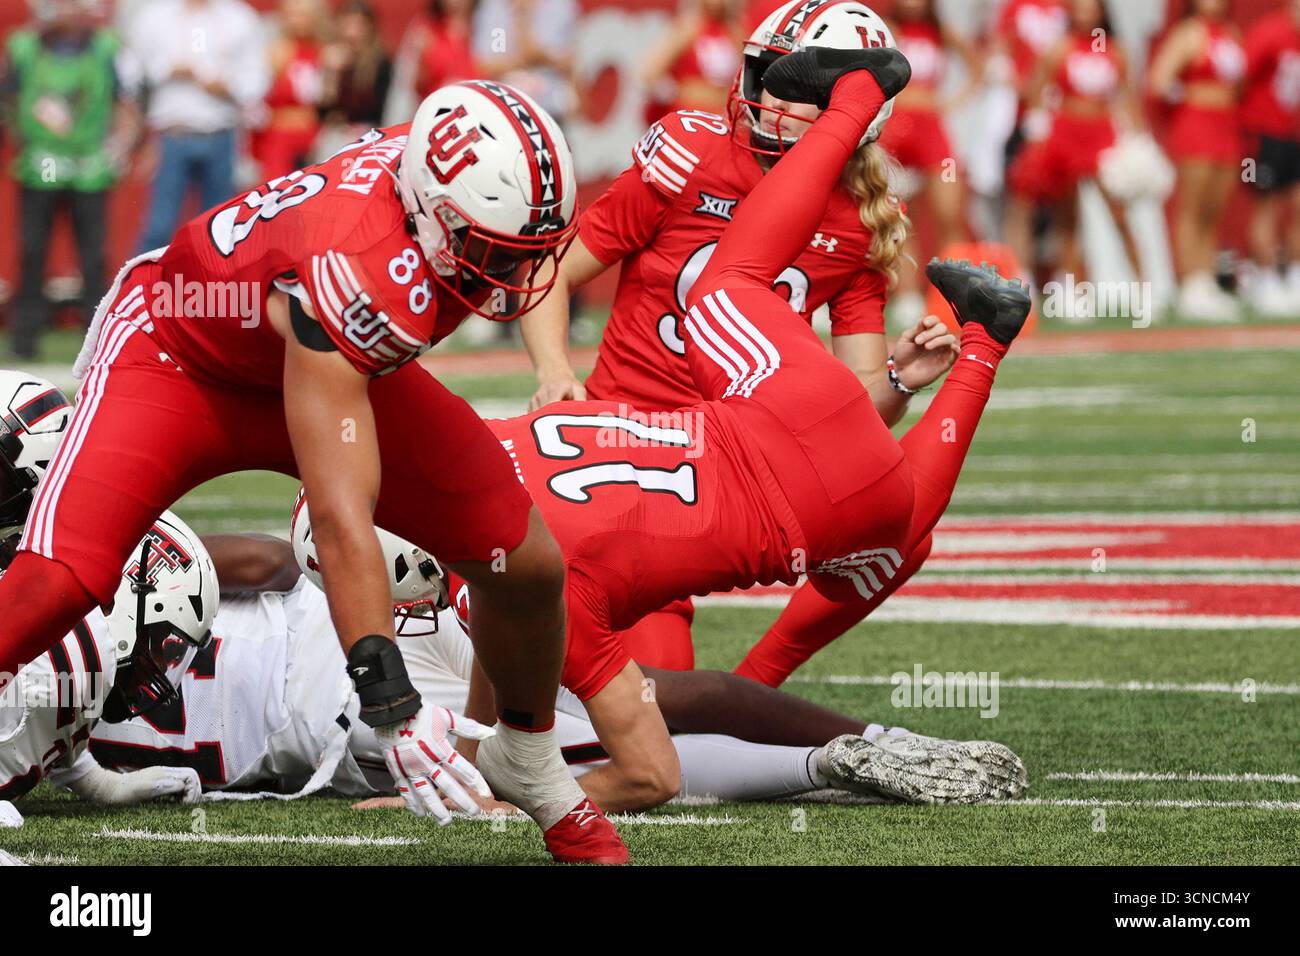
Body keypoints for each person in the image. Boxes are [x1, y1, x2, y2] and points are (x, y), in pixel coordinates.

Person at [0, 81, 627, 864]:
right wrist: (392, 704)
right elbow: (339, 514)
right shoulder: (364, 266)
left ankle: (527, 760)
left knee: (525, 561)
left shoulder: (443, 186)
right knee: (59, 580)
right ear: (431, 216)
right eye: (494, 253)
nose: (512, 273)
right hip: (173, 359)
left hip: (307, 349)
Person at [521, 1, 958, 685]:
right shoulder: (692, 153)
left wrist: (901, 377)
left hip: (735, 467)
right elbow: (550, 273)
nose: (774, 97)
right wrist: (554, 371)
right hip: (626, 446)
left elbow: (858, 415)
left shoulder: (858, 221)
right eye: (769, 74)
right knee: (611, 687)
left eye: (804, 88)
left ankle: (758, 680)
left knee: (900, 525)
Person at [91, 526, 1025, 809]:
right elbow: (271, 560)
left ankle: (827, 768)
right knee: (639, 699)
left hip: (337, 733)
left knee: (595, 762)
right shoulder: (93, 583)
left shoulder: (64, 729)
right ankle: (863, 745)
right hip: (363, 642)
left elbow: (113, 782)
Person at [0, 512, 214, 825]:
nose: (160, 663)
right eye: (156, 640)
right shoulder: (77, 661)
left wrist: (117, 786)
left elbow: (63, 757)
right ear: (124, 597)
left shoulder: (78, 654)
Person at [0, 0, 141, 361]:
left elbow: (129, 99)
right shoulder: (22, 47)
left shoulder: (109, 47)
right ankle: (25, 338)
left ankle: (97, 339)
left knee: (93, 258)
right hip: (39, 165)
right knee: (32, 253)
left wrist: (122, 144)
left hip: (89, 167)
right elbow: (8, 98)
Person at [1008, 0, 1146, 300]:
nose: (1085, 14)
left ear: (1101, 12)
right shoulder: (1060, 47)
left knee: (1120, 214)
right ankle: (1075, 291)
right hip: (1066, 135)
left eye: (1090, 8)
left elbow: (1129, 98)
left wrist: (1138, 140)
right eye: (1079, 8)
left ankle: (1143, 287)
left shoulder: (1116, 50)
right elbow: (1036, 91)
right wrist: (1038, 131)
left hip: (1103, 136)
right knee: (1068, 219)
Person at [127, 0, 270, 255]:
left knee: (221, 227)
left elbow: (256, 74)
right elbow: (131, 68)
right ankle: (141, 291)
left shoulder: (238, 17)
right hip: (172, 134)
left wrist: (230, 87)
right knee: (159, 225)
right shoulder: (155, 16)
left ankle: (214, 291)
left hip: (221, 132)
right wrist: (168, 68)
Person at [877, 0, 983, 323]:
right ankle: (907, 294)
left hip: (931, 129)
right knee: (897, 213)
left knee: (949, 210)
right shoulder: (886, 28)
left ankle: (953, 292)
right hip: (894, 126)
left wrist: (952, 102)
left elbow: (976, 66)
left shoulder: (940, 31)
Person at [1148, 0, 1246, 321]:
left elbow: (1240, 82)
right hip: (1197, 124)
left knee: (1214, 209)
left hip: (1226, 125)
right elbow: (1159, 80)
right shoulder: (1188, 33)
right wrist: (1192, 95)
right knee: (1192, 206)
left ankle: (1206, 279)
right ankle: (1190, 281)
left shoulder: (1230, 32)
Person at [1240, 0, 1300, 317]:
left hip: (1292, 134)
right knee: (1266, 206)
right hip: (1262, 133)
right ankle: (1264, 277)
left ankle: (1294, 273)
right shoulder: (1270, 32)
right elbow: (1239, 75)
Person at [250, 0, 327, 181]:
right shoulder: (276, 51)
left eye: (303, 15)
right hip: (279, 136)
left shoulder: (322, 50)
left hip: (312, 133)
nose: (297, 21)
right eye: (292, 15)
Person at [641, 0, 745, 119]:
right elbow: (650, 73)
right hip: (691, 113)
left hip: (721, 115)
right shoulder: (688, 28)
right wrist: (676, 94)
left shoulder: (735, 32)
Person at [317, 0, 393, 157]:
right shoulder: (331, 58)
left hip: (370, 135)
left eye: (358, 26)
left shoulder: (381, 63)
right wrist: (331, 76)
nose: (352, 33)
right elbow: (323, 112)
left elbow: (380, 108)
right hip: (336, 135)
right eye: (347, 25)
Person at [415, 0, 480, 99]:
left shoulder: (486, 28)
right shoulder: (426, 29)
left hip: (478, 101)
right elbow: (417, 84)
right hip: (440, 103)